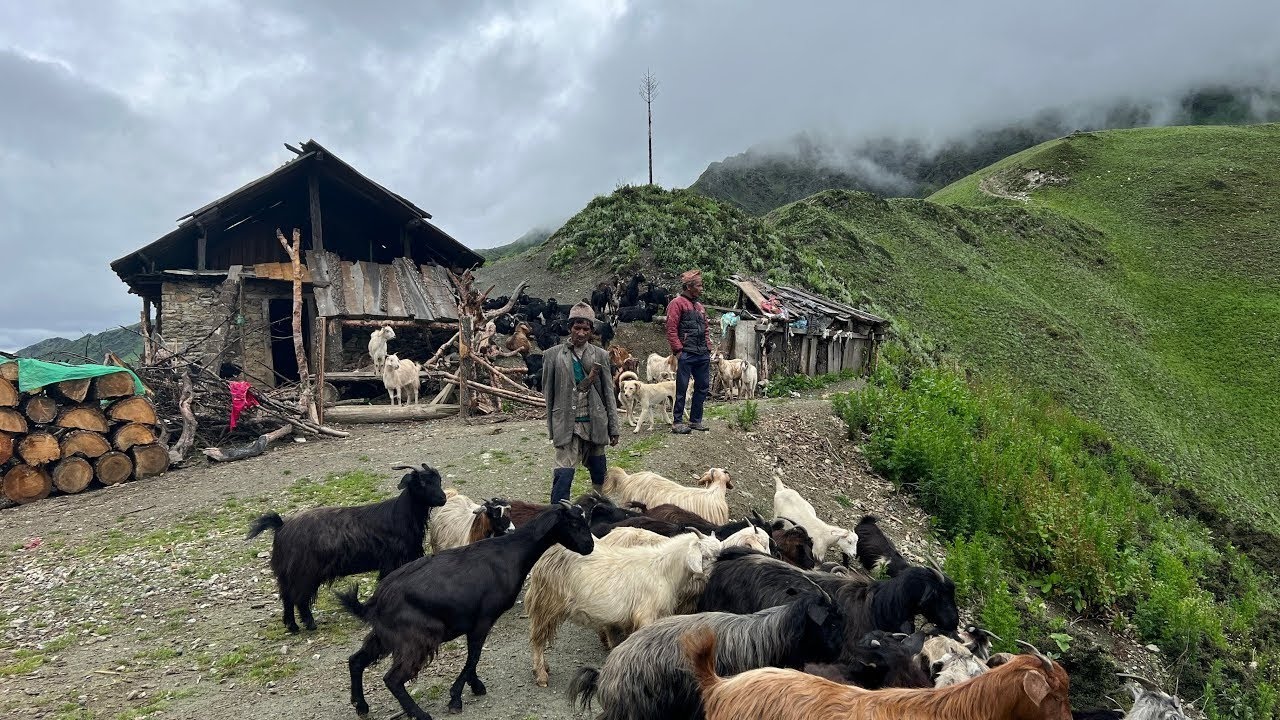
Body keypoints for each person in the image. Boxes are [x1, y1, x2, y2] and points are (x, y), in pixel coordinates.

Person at [542, 302, 620, 502]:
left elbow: (609, 393)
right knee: (563, 473)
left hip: (595, 420)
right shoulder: (553, 356)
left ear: (592, 330)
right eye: (577, 327)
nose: (581, 333)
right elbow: (548, 395)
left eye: (586, 328)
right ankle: (558, 513)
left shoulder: (600, 355)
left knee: (598, 469)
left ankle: (599, 510)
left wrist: (614, 427)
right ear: (570, 328)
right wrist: (552, 428)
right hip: (567, 423)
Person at [665, 269, 713, 434]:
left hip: (702, 353)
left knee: (703, 386)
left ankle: (695, 420)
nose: (702, 289)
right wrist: (678, 350)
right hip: (687, 353)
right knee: (682, 387)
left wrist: (708, 347)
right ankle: (677, 422)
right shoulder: (676, 303)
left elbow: (705, 328)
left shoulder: (699, 307)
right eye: (699, 285)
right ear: (689, 287)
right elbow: (671, 329)